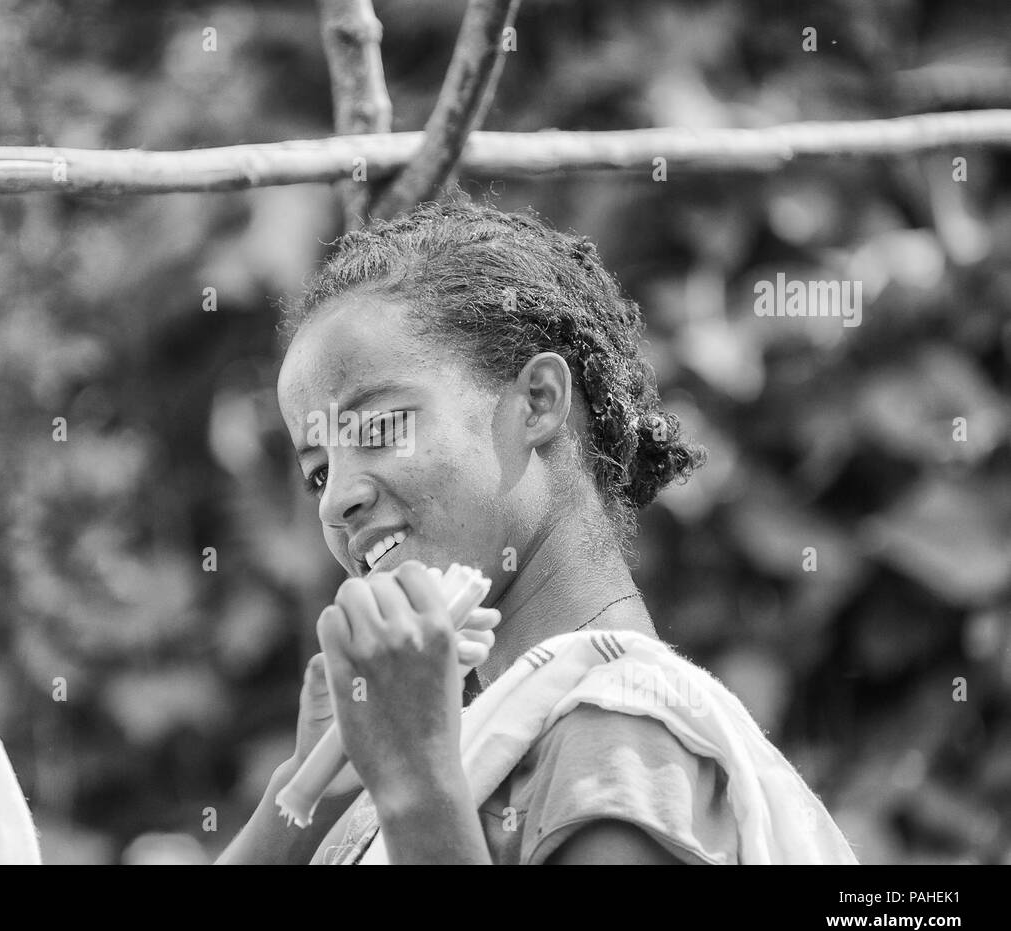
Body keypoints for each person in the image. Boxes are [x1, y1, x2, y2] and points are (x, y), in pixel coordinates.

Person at [217, 198, 825, 865]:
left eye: (381, 428)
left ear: (538, 401)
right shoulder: (464, 745)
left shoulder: (618, 736)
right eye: (316, 472)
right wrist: (312, 790)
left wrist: (416, 786)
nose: (336, 500)